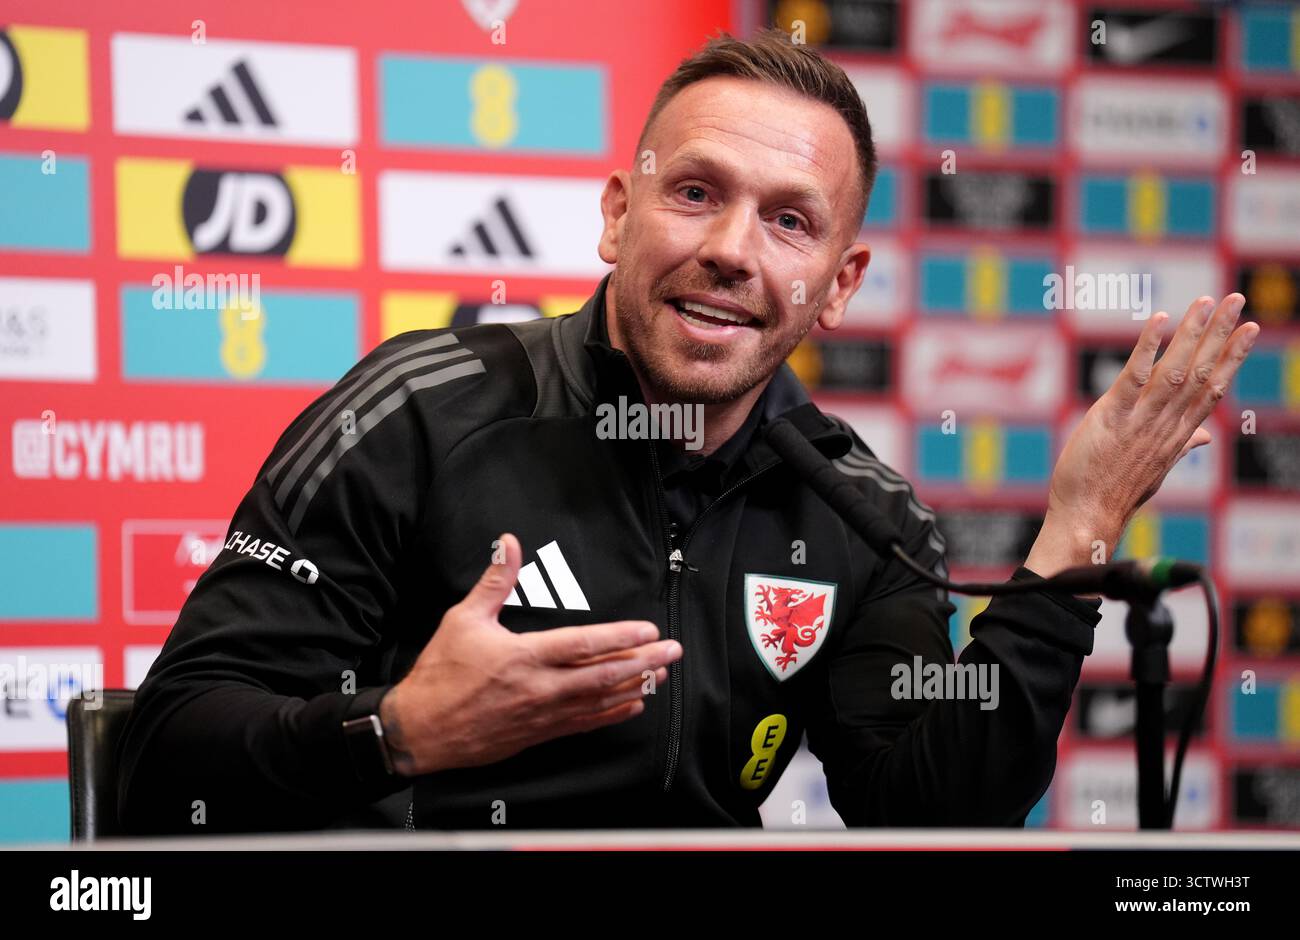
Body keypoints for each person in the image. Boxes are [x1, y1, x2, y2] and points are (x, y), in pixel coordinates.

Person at [116, 29, 1259, 834]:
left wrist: (1075, 531)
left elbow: (933, 806)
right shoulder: (417, 412)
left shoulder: (857, 509)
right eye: (697, 192)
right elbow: (164, 761)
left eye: (789, 221)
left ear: (839, 282)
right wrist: (399, 731)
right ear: (619, 216)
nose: (732, 252)